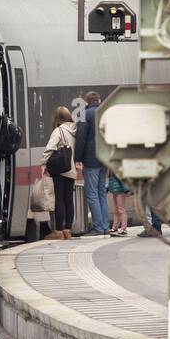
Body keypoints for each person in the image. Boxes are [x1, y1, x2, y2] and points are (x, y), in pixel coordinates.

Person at [40, 106, 77, 240]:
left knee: (59, 199)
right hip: (71, 169)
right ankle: (68, 230)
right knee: (68, 199)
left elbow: (50, 148)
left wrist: (44, 164)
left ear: (57, 118)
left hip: (60, 169)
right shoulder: (75, 130)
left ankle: (59, 231)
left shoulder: (58, 130)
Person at [76, 92, 110, 237]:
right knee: (102, 193)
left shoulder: (85, 115)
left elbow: (81, 138)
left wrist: (78, 158)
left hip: (91, 160)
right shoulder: (106, 113)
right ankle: (105, 227)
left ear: (86, 102)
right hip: (105, 159)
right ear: (99, 100)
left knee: (92, 194)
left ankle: (98, 227)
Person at [105, 172, 132, 237]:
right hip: (114, 191)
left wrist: (127, 190)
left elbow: (123, 181)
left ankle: (124, 229)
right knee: (116, 210)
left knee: (121, 210)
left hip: (120, 191)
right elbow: (110, 181)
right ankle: (114, 228)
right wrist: (107, 188)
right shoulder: (111, 171)